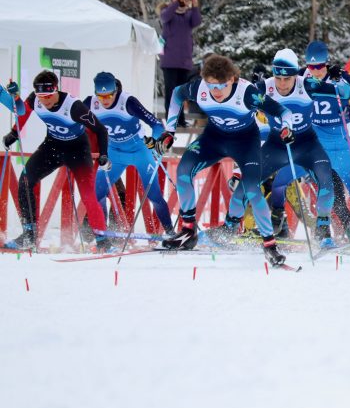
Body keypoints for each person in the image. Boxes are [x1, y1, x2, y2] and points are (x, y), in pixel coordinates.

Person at [160, 54, 294, 267]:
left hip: (245, 142)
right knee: (184, 169)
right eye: (212, 85)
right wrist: (169, 130)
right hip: (214, 139)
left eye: (221, 85)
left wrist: (286, 127)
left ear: (232, 79)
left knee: (252, 189)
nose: (216, 91)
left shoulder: (247, 92)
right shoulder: (199, 88)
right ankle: (187, 231)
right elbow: (177, 94)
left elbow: (283, 111)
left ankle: (269, 245)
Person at [225, 49, 342, 248]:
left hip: (306, 144)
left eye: (287, 78)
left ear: (295, 74)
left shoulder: (308, 84)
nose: (282, 83)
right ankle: (228, 228)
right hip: (276, 145)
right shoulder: (264, 87)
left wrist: (338, 80)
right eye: (278, 78)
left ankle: (323, 231)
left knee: (326, 182)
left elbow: (344, 93)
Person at [1, 71, 112, 251]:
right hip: (52, 146)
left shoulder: (74, 106)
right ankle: (29, 235)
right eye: (41, 96)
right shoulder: (35, 99)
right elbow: (22, 112)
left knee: (87, 195)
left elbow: (100, 130)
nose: (44, 101)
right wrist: (14, 133)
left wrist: (104, 154)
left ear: (56, 90)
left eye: (48, 96)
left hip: (77, 150)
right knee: (25, 181)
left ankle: (103, 241)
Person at [302, 40, 350, 238]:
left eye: (320, 66)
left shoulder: (340, 76)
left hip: (341, 148)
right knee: (329, 196)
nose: (315, 71)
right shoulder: (301, 77)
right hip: (318, 149)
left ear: (326, 63)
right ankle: (327, 237)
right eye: (311, 66)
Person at [85, 72, 174, 233]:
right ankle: (102, 234)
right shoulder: (90, 103)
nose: (105, 100)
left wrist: (156, 143)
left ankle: (170, 233)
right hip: (115, 152)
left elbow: (156, 124)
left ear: (116, 91)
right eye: (101, 96)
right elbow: (72, 121)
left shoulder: (128, 102)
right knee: (97, 193)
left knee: (153, 195)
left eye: (109, 95)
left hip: (140, 150)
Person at [159, 0, 202, 115]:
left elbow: (196, 21)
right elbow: (165, 17)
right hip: (170, 61)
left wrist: (194, 6)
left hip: (184, 61)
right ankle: (171, 117)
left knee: (181, 92)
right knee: (171, 91)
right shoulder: (167, 11)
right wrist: (175, 3)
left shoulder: (187, 14)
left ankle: (180, 117)